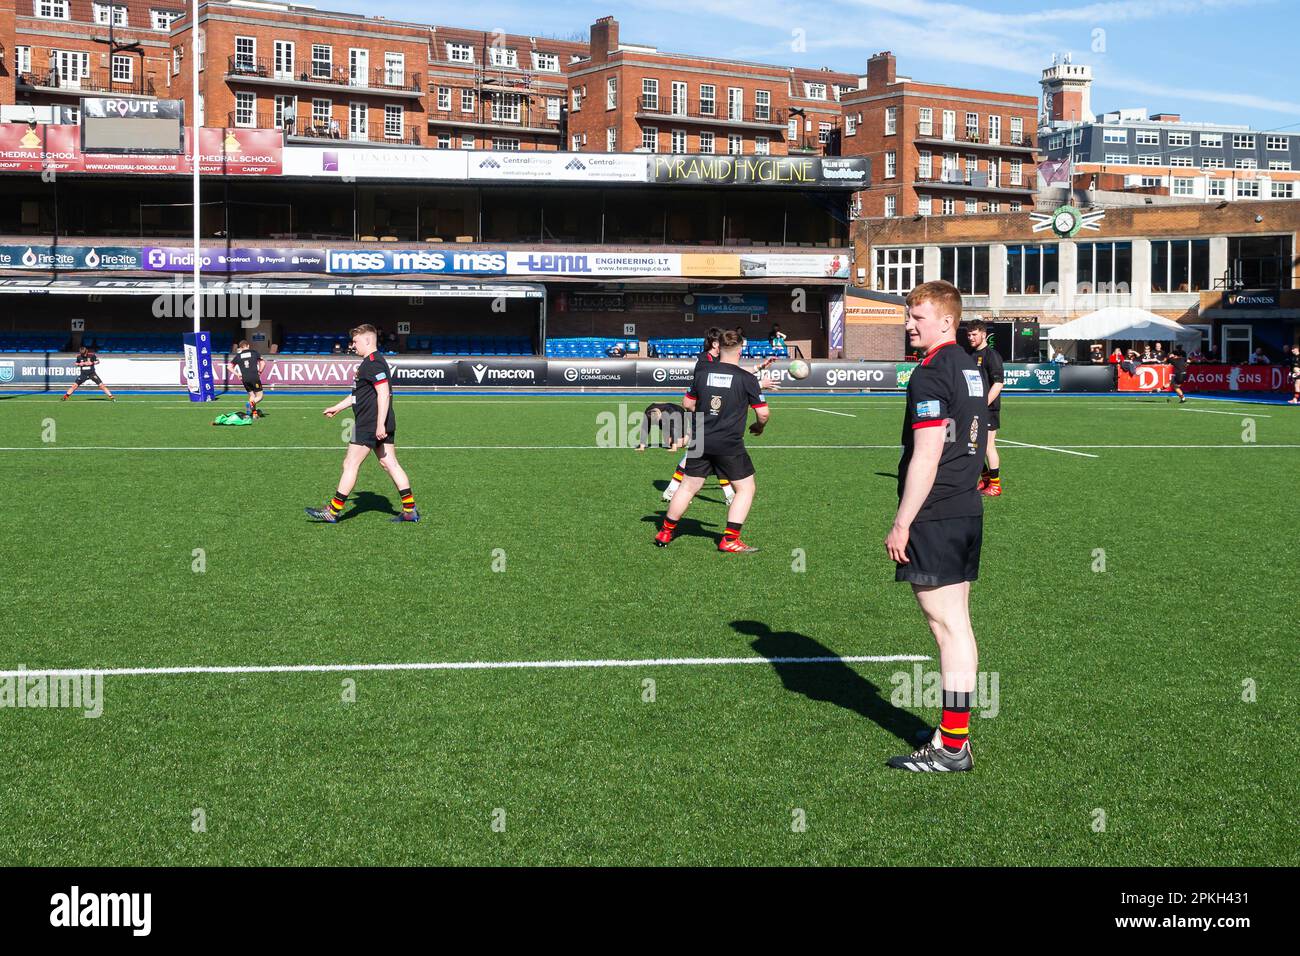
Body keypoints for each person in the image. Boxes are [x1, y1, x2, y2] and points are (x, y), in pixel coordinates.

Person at [885, 280, 987, 773]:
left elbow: (928, 452)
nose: (908, 324)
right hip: (966, 508)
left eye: (917, 317)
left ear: (946, 321)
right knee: (956, 623)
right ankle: (952, 735)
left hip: (938, 511)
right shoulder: (968, 366)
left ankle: (953, 747)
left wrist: (902, 521)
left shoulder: (929, 372)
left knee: (946, 626)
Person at [655, 329, 769, 554]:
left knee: (687, 487)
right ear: (741, 349)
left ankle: (665, 531)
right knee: (746, 489)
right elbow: (763, 413)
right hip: (729, 443)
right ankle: (730, 539)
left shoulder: (703, 373)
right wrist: (759, 426)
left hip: (701, 440)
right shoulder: (747, 379)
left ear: (720, 348)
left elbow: (687, 404)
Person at [305, 324, 418, 523]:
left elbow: (384, 393)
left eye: (356, 341)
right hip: (378, 421)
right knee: (389, 463)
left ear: (367, 340)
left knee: (350, 463)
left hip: (370, 423)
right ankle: (410, 510)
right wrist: (338, 407)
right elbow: (358, 395)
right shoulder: (371, 363)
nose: (353, 345)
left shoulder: (373, 362)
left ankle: (332, 511)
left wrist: (379, 425)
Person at [965, 320, 1004, 497]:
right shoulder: (970, 355)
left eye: (974, 334)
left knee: (988, 446)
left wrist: (983, 404)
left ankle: (995, 485)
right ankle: (986, 479)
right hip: (974, 409)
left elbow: (998, 384)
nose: (970, 338)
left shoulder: (992, 355)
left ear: (983, 334)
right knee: (973, 446)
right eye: (968, 335)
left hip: (988, 409)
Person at [227, 339, 267, 419]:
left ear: (241, 348)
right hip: (254, 376)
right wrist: (260, 371)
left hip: (244, 378)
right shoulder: (254, 353)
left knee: (252, 395)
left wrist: (237, 374)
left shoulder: (238, 356)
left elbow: (229, 367)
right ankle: (250, 404)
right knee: (260, 396)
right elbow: (263, 363)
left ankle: (253, 414)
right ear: (248, 345)